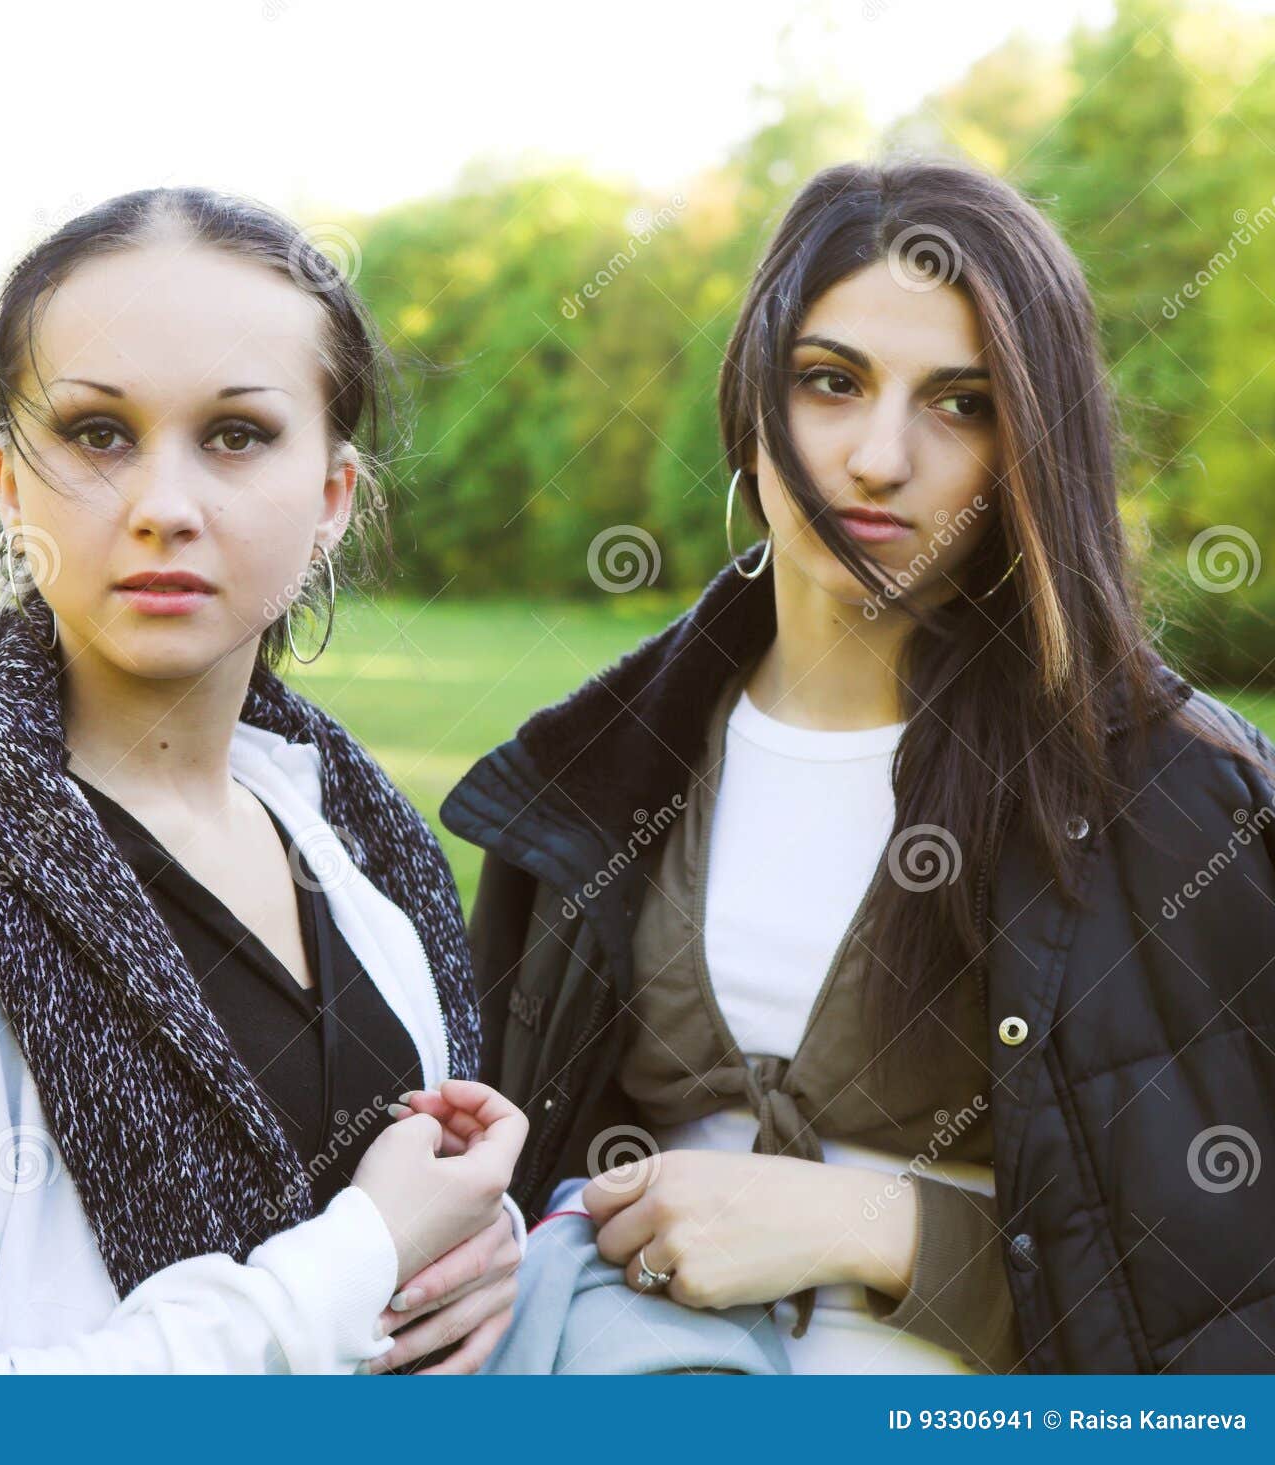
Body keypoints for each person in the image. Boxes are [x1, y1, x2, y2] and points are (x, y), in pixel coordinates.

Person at [430, 158, 1275, 1374]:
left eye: (959, 403)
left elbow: (1226, 1289)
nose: (880, 458)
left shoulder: (1174, 794)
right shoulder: (592, 770)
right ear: (750, 406)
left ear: (1033, 447)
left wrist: (879, 1227)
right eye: (829, 384)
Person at [0, 187, 526, 1375]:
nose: (162, 507)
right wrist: (356, 1262)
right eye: (98, 434)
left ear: (330, 499)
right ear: (8, 481)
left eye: (237, 435)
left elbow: (396, 1206)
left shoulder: (355, 838)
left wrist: (476, 1243)